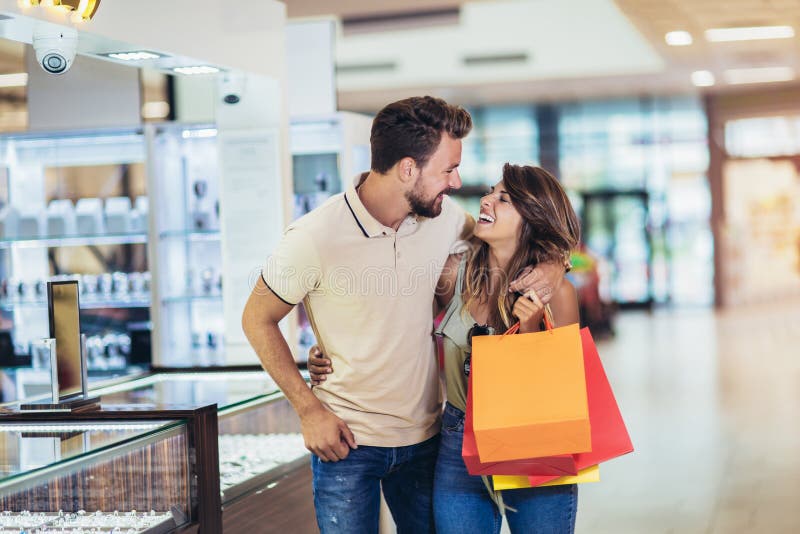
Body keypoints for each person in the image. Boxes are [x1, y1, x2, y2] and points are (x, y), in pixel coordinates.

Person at [242, 97, 566, 533]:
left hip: (430, 440)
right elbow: (256, 318)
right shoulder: (312, 237)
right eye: (448, 168)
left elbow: (524, 235)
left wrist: (554, 266)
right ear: (409, 169)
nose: (457, 180)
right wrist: (308, 409)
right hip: (347, 442)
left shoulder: (446, 219)